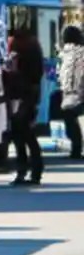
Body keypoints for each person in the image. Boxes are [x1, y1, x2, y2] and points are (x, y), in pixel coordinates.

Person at [4, 29, 45, 185]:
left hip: (22, 101)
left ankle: (27, 171)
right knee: (25, 137)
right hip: (27, 100)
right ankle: (32, 172)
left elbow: (16, 80)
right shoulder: (33, 58)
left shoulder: (20, 61)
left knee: (23, 137)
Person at [56, 25, 84, 159]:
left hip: (70, 92)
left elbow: (62, 73)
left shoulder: (65, 54)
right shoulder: (78, 52)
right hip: (77, 91)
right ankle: (77, 148)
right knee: (76, 121)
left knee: (71, 122)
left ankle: (76, 148)